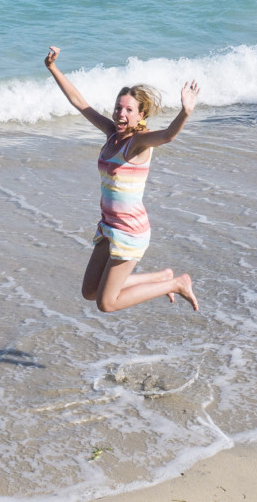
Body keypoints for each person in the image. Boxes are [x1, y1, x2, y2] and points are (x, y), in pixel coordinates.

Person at [45, 47, 200, 313]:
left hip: (129, 231)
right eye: (118, 107)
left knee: (106, 303)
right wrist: (52, 68)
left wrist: (185, 112)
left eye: (129, 109)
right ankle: (159, 277)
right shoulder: (111, 134)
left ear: (141, 116)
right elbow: (80, 102)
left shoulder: (138, 142)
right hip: (108, 225)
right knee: (90, 292)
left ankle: (175, 284)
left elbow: (168, 136)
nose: (121, 114)